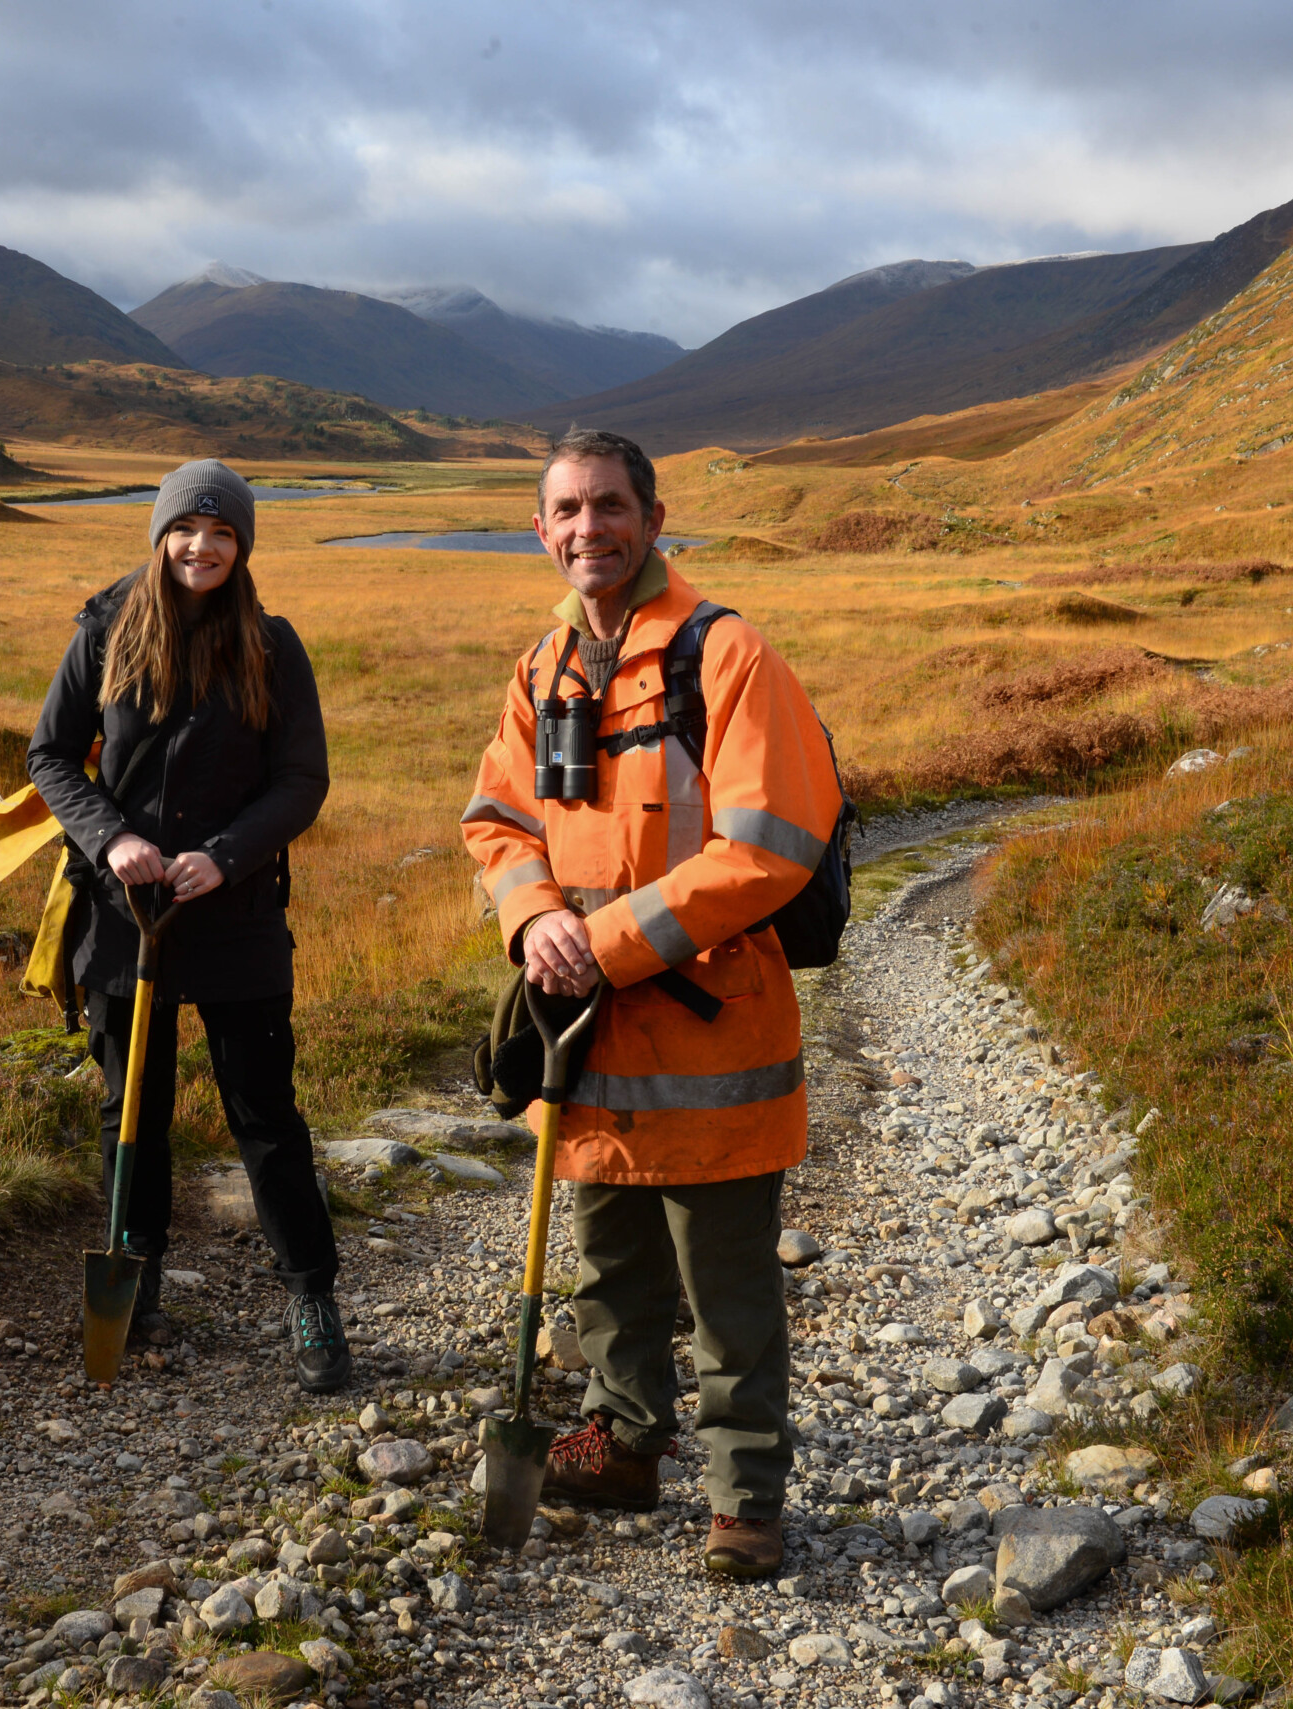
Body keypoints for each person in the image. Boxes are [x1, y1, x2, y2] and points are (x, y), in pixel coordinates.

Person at [460, 429, 842, 1579]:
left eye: (610, 505)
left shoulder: (726, 654)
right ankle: (623, 1441)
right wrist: (534, 919)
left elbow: (770, 847)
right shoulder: (540, 671)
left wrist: (608, 943)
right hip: (586, 1039)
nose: (589, 528)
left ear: (651, 514)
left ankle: (745, 1498)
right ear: (541, 529)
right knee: (610, 1271)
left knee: (726, 1290)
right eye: (567, 510)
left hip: (711, 1032)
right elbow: (497, 819)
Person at [25, 459, 352, 1393]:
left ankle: (312, 1297)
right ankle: (138, 1285)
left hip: (237, 916)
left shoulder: (273, 645)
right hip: (126, 920)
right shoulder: (104, 629)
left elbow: (302, 780)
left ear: (242, 544)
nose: (201, 547)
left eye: (221, 533)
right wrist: (111, 837)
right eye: (186, 530)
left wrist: (226, 855)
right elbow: (50, 754)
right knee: (133, 1115)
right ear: (160, 535)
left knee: (267, 1116)